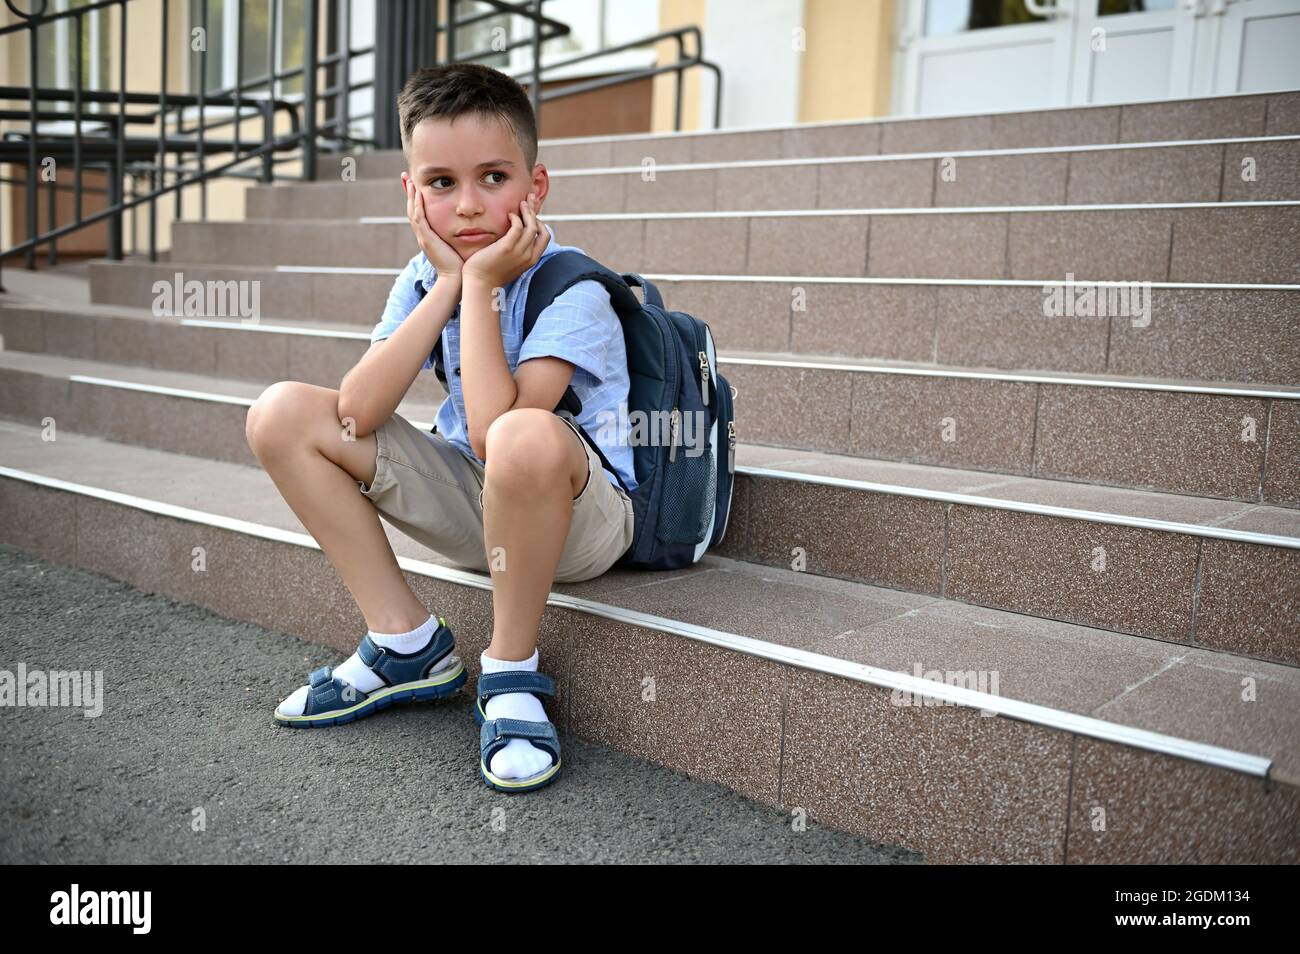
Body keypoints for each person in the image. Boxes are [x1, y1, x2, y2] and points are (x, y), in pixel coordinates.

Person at [245, 62, 638, 794]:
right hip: (482, 500)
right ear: (411, 193)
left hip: (582, 522)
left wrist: (484, 285)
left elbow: (498, 433)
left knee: (522, 434)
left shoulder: (575, 289)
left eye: (493, 177)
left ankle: (512, 672)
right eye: (441, 183)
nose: (466, 208)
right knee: (282, 414)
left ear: (536, 186)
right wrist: (451, 287)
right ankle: (407, 644)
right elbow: (357, 413)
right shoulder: (427, 276)